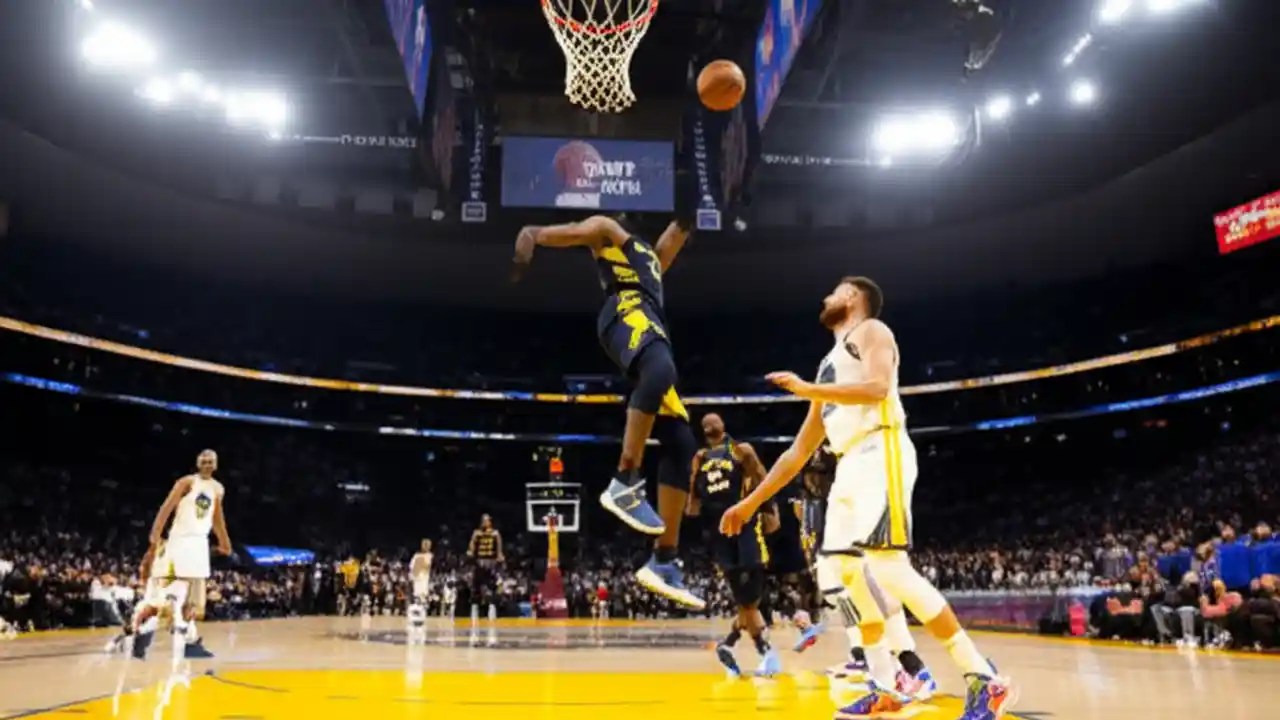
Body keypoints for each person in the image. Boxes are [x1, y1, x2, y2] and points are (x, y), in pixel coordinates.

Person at [720, 277, 1012, 719]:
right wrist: (749, 503)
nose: (825, 298)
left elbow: (877, 388)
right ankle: (885, 682)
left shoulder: (873, 331)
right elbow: (798, 453)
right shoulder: (826, 364)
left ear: (853, 298)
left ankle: (982, 678)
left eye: (834, 291)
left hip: (881, 447)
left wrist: (807, 390)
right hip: (848, 464)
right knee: (840, 572)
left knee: (889, 568)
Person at [512, 214, 703, 609]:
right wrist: (536, 234)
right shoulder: (612, 234)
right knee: (661, 368)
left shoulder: (649, 261)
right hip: (625, 310)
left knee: (682, 441)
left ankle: (664, 559)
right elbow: (587, 229)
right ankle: (625, 477)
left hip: (650, 321)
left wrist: (697, 207)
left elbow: (676, 234)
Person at [687, 413, 781, 678]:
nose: (711, 424)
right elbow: (693, 498)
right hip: (719, 531)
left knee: (751, 588)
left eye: (714, 420)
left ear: (723, 425)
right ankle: (754, 649)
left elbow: (763, 479)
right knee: (744, 594)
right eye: (706, 422)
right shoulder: (700, 457)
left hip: (745, 524)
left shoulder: (740, 450)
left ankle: (735, 644)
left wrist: (770, 509)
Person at [135, 449, 232, 660]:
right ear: (198, 463)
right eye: (203, 461)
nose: (207, 464)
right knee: (173, 596)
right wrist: (155, 536)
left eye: (210, 462)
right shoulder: (187, 482)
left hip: (199, 544)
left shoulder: (218, 489)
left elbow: (217, 518)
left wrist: (224, 541)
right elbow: (166, 508)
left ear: (215, 465)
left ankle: (186, 641)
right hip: (180, 541)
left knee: (190, 600)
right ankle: (145, 635)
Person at [467, 514, 503, 628]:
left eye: (487, 520)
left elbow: (499, 547)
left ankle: (492, 611)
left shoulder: (495, 533)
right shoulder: (476, 533)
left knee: (492, 587)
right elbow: (472, 545)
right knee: (476, 588)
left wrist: (499, 555)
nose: (485, 522)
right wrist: (470, 551)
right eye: (483, 521)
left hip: (491, 562)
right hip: (479, 562)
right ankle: (475, 611)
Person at [408, 539, 434, 641]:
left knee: (423, 601)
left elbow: (427, 566)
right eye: (424, 544)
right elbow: (412, 569)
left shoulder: (430, 556)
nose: (426, 546)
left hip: (424, 581)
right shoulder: (416, 556)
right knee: (416, 600)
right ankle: (414, 622)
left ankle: (421, 622)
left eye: (428, 544)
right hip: (417, 580)